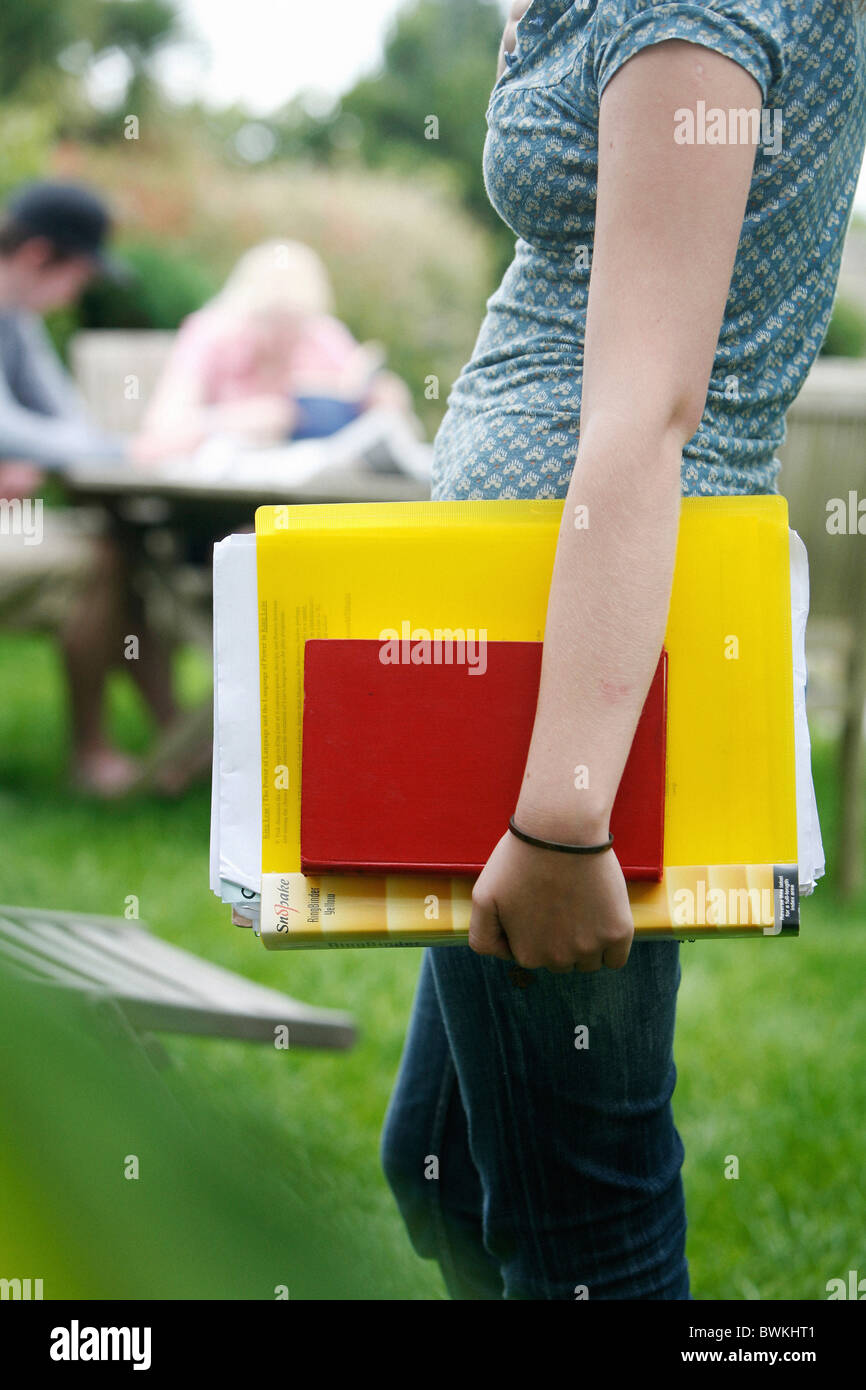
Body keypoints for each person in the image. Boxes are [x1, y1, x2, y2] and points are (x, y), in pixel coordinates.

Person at [380, 0, 866, 1299]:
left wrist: (560, 819)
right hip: (529, 618)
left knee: (579, 1214)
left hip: (570, 653)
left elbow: (650, 407)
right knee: (435, 1161)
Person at [0, 181, 183, 796]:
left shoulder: (16, 320)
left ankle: (177, 737)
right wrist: (121, 451)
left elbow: (58, 420)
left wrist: (101, 447)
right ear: (37, 256)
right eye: (78, 273)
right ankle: (93, 756)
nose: (79, 290)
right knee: (101, 556)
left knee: (118, 543)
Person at [134, 239, 413, 463]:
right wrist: (237, 420)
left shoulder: (321, 335)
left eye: (295, 328)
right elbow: (153, 440)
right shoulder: (210, 334)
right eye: (272, 324)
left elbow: (362, 394)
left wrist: (384, 401)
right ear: (246, 311)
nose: (284, 341)